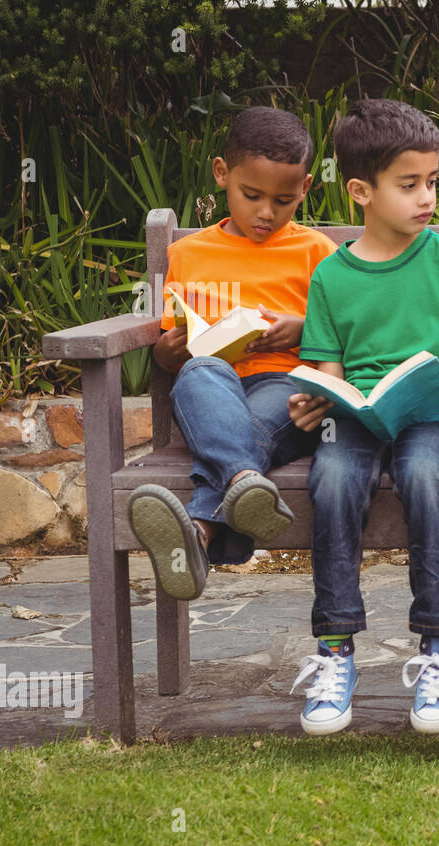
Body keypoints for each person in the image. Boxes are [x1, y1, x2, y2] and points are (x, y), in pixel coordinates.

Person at [286, 99, 439, 736]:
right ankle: (336, 649)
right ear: (360, 192)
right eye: (409, 185)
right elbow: (330, 372)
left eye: (432, 182)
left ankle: (437, 648)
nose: (427, 197)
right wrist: (317, 399)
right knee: (334, 480)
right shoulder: (331, 276)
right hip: (357, 419)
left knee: (428, 477)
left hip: (430, 415)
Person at [129, 107, 334, 601]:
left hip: (286, 389)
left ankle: (200, 530)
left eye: (284, 200)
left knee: (256, 422)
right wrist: (167, 350)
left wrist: (303, 331)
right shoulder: (189, 254)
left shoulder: (317, 252)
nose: (267, 212)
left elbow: (346, 337)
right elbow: (168, 350)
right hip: (211, 391)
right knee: (201, 369)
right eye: (252, 195)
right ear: (222, 173)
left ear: (306, 186)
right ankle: (244, 484)